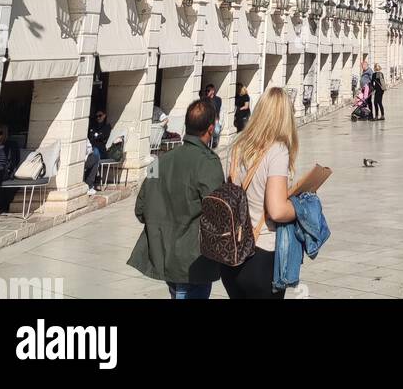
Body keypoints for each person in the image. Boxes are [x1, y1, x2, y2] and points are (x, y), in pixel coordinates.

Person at [127, 98, 224, 299]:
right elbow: (218, 214)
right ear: (211, 128)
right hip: (193, 259)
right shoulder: (208, 163)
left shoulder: (158, 162)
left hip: (165, 254)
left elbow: (140, 208)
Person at [221, 87, 299, 300]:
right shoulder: (277, 151)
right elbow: (277, 210)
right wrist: (299, 206)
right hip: (261, 254)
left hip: (232, 255)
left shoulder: (238, 146)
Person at [203, 84, 222, 149]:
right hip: (207, 119)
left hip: (215, 118)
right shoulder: (204, 99)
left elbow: (217, 110)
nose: (207, 92)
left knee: (216, 131)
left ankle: (213, 141)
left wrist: (216, 119)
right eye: (206, 91)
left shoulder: (218, 99)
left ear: (213, 91)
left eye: (208, 90)